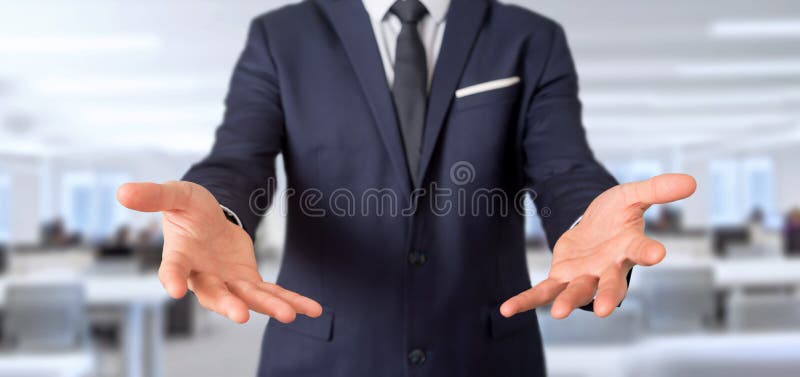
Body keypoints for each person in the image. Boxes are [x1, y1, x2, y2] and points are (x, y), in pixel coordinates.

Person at [116, 0, 697, 375]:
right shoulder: (281, 37)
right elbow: (238, 158)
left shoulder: (530, 38)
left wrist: (588, 214)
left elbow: (563, 166)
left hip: (485, 354)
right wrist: (217, 208)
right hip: (325, 355)